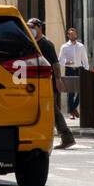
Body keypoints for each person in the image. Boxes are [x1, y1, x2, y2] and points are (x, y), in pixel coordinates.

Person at [28, 18, 75, 148]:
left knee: (52, 110)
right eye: (28, 26)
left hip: (49, 81)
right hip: (36, 82)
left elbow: (55, 63)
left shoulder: (46, 43)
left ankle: (67, 137)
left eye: (32, 26)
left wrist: (58, 80)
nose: (30, 29)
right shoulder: (31, 42)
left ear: (39, 27)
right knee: (47, 109)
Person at [58, 26, 89, 119]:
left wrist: (86, 70)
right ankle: (72, 112)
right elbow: (60, 60)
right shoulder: (64, 47)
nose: (73, 35)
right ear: (68, 36)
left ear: (76, 35)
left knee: (80, 91)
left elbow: (85, 59)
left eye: (74, 34)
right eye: (71, 34)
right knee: (70, 92)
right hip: (70, 69)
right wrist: (67, 62)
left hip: (79, 69)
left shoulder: (81, 46)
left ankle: (73, 108)